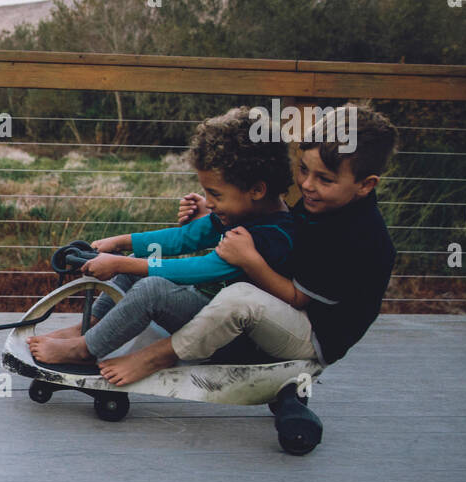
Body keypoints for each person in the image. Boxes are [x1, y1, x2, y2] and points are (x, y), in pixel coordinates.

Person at [96, 103, 397, 386]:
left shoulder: (357, 237)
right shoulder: (325, 202)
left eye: (324, 179)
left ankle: (159, 355)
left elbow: (297, 298)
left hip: (314, 334)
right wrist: (219, 212)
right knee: (227, 289)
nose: (307, 185)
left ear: (365, 184)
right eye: (303, 169)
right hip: (283, 308)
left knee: (239, 296)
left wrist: (249, 259)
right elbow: (282, 233)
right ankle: (92, 330)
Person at [28, 107, 294, 368]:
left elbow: (200, 269)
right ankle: (89, 328)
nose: (209, 203)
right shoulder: (242, 213)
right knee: (141, 261)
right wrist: (121, 242)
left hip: (230, 336)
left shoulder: (272, 236)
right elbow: (183, 238)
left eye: (217, 195)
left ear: (257, 189)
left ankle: (85, 350)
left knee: (152, 289)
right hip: (206, 305)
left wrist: (120, 264)